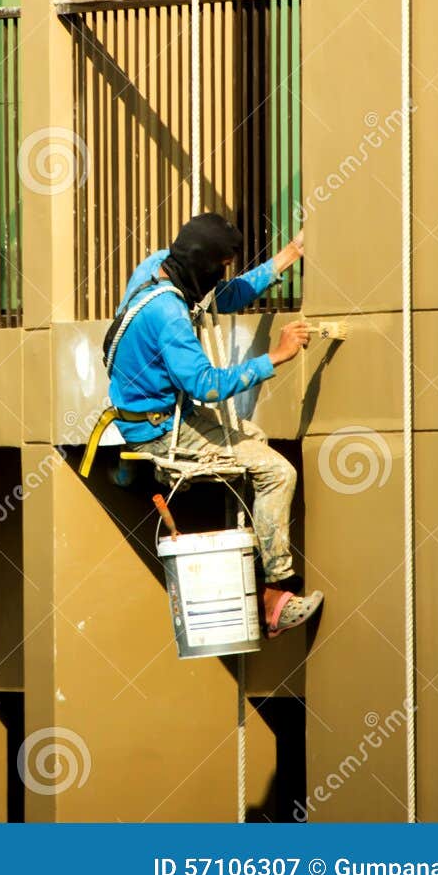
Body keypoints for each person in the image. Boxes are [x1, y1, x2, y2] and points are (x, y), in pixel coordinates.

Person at [105, 213, 322, 638]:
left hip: (141, 412)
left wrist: (291, 253)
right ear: (203, 264)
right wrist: (275, 356)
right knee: (278, 472)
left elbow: (223, 297)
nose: (223, 275)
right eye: (221, 266)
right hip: (163, 431)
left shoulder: (156, 268)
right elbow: (204, 384)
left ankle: (128, 474)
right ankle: (275, 594)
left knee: (255, 438)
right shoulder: (168, 315)